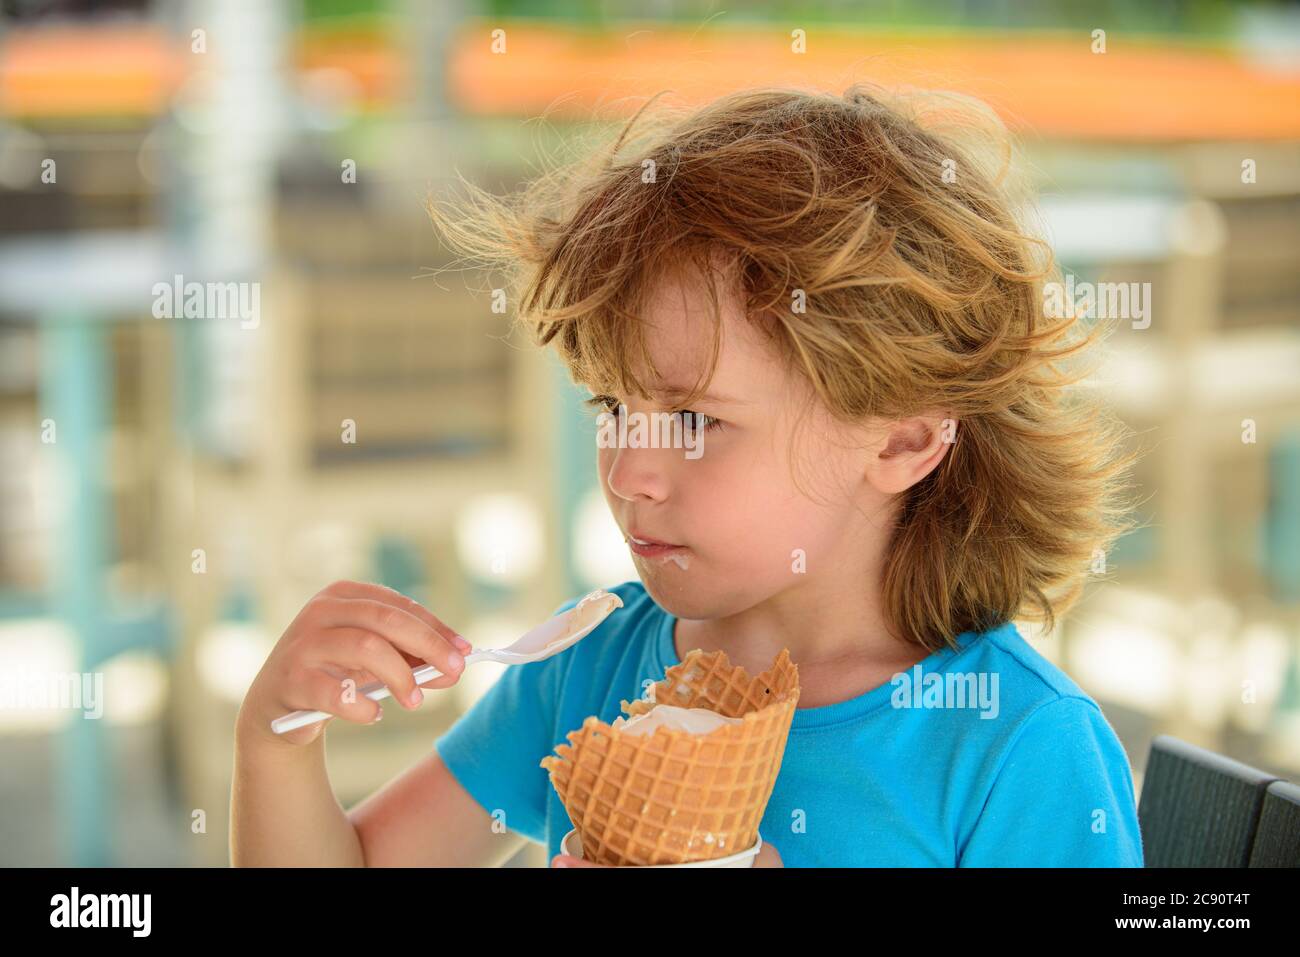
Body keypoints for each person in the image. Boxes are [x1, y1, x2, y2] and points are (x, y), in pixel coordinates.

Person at [232, 84, 1144, 867]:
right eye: (611, 409)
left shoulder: (1017, 750)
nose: (630, 469)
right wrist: (277, 741)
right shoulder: (587, 672)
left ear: (904, 440)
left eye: (697, 421)